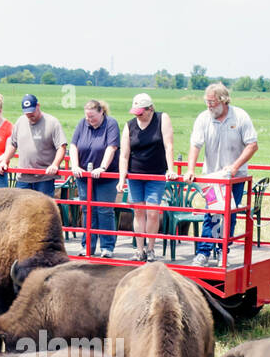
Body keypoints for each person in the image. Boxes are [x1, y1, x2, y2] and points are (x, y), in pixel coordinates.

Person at [186, 82, 259, 267]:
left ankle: (222, 250)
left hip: (234, 178)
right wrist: (190, 169)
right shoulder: (203, 118)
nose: (209, 105)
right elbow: (196, 144)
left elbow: (252, 145)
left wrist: (235, 167)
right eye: (207, 102)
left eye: (212, 102)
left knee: (229, 215)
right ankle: (203, 252)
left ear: (223, 100)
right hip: (212, 178)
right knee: (211, 213)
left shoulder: (240, 116)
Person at [117, 92, 176, 262]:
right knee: (138, 211)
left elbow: (168, 145)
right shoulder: (129, 126)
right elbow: (124, 155)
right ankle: (139, 249)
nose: (138, 116)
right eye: (136, 113)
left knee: (152, 212)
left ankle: (151, 249)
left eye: (141, 112)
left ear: (150, 109)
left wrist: (171, 169)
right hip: (135, 175)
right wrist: (122, 179)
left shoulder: (161, 119)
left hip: (156, 175)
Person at [68, 99, 121, 257]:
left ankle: (107, 247)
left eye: (93, 117)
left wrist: (103, 167)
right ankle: (88, 246)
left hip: (106, 177)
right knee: (87, 209)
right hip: (84, 176)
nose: (89, 120)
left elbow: (112, 147)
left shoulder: (111, 124)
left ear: (101, 112)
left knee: (104, 210)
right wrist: (75, 166)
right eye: (87, 117)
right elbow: (73, 145)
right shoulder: (82, 124)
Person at [0, 93, 66, 197]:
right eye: (27, 113)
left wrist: (55, 165)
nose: (30, 116)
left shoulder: (52, 123)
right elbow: (13, 144)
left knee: (43, 209)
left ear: (38, 106)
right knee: (21, 209)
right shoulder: (20, 122)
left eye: (32, 112)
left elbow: (61, 147)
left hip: (44, 177)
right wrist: (4, 161)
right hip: (23, 176)